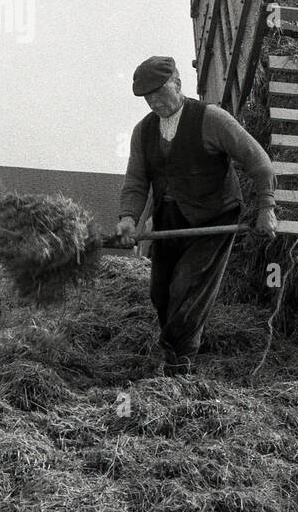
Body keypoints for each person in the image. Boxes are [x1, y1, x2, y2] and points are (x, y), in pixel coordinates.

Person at [117, 55, 277, 374]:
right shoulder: (144, 132)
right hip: (170, 219)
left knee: (187, 286)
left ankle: (181, 362)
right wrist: (128, 218)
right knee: (159, 292)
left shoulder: (211, 119)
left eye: (160, 93)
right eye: (148, 98)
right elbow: (136, 181)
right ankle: (175, 352)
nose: (155, 102)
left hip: (214, 218)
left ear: (177, 83)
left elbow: (259, 162)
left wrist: (267, 207)